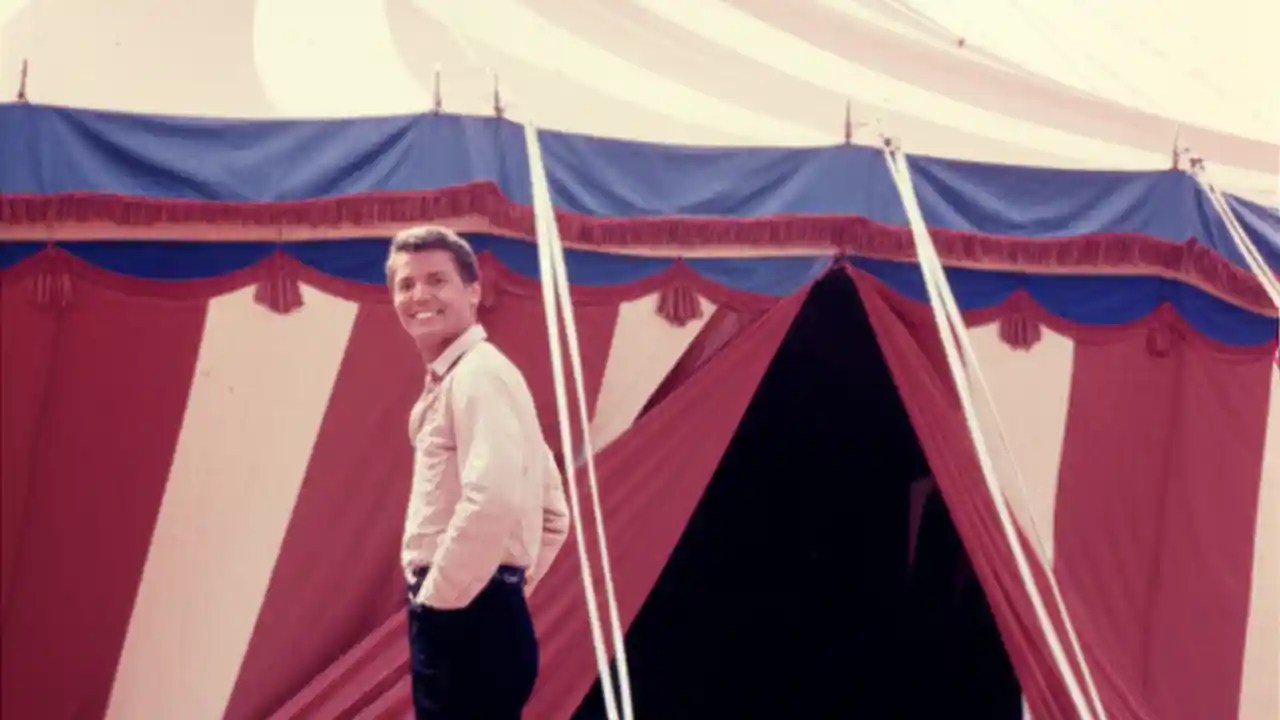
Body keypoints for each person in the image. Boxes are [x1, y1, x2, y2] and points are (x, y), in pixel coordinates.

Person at [387, 225, 570, 719]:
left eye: (436, 280)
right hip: (482, 615)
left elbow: (492, 498)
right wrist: (502, 588)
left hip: (464, 620)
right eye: (405, 285)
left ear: (473, 291)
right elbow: (554, 514)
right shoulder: (479, 374)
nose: (419, 295)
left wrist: (444, 597)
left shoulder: (477, 376)